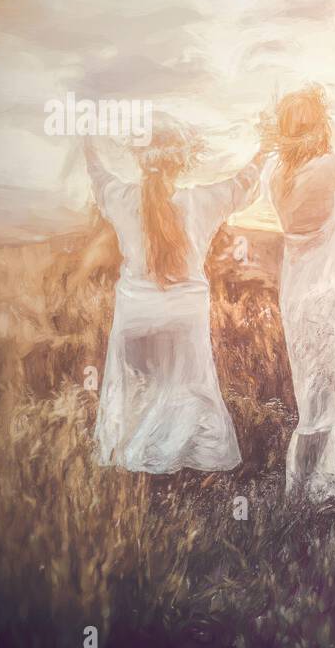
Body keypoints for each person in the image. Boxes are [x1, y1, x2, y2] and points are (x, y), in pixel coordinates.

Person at [84, 122, 265, 473]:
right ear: (181, 163)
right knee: (186, 389)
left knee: (140, 386)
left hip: (135, 317)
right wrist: (264, 151)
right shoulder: (201, 201)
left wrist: (88, 146)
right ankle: (174, 455)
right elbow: (244, 183)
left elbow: (98, 176)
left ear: (140, 160)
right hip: (184, 320)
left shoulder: (122, 198)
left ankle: (137, 455)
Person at [260, 75, 335, 503]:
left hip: (299, 299)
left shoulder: (276, 174)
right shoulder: (326, 169)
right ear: (318, 126)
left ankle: (313, 479)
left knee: (316, 392)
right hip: (333, 296)